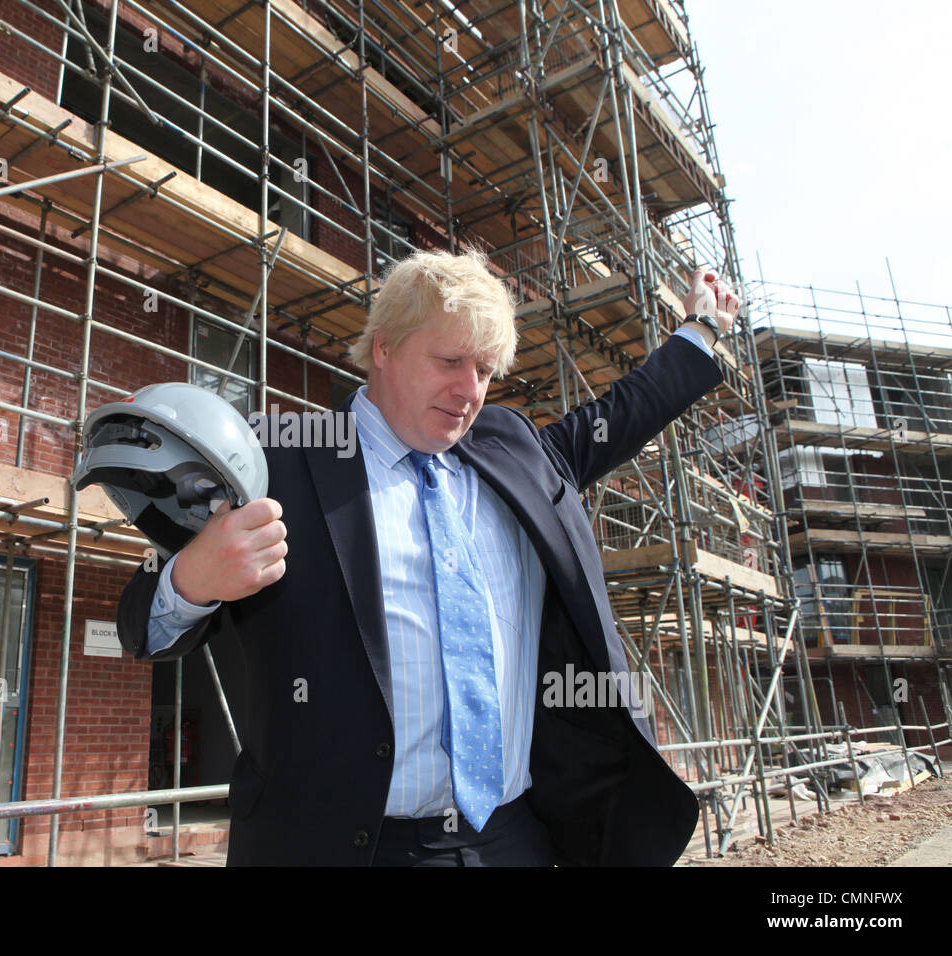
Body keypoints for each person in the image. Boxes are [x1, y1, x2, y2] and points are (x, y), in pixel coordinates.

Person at [115, 247, 740, 866]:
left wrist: (702, 329)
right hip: (337, 847)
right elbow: (141, 624)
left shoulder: (513, 452)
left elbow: (621, 413)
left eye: (486, 371)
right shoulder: (279, 459)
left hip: (511, 840)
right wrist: (193, 578)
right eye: (449, 361)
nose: (469, 392)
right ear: (383, 348)